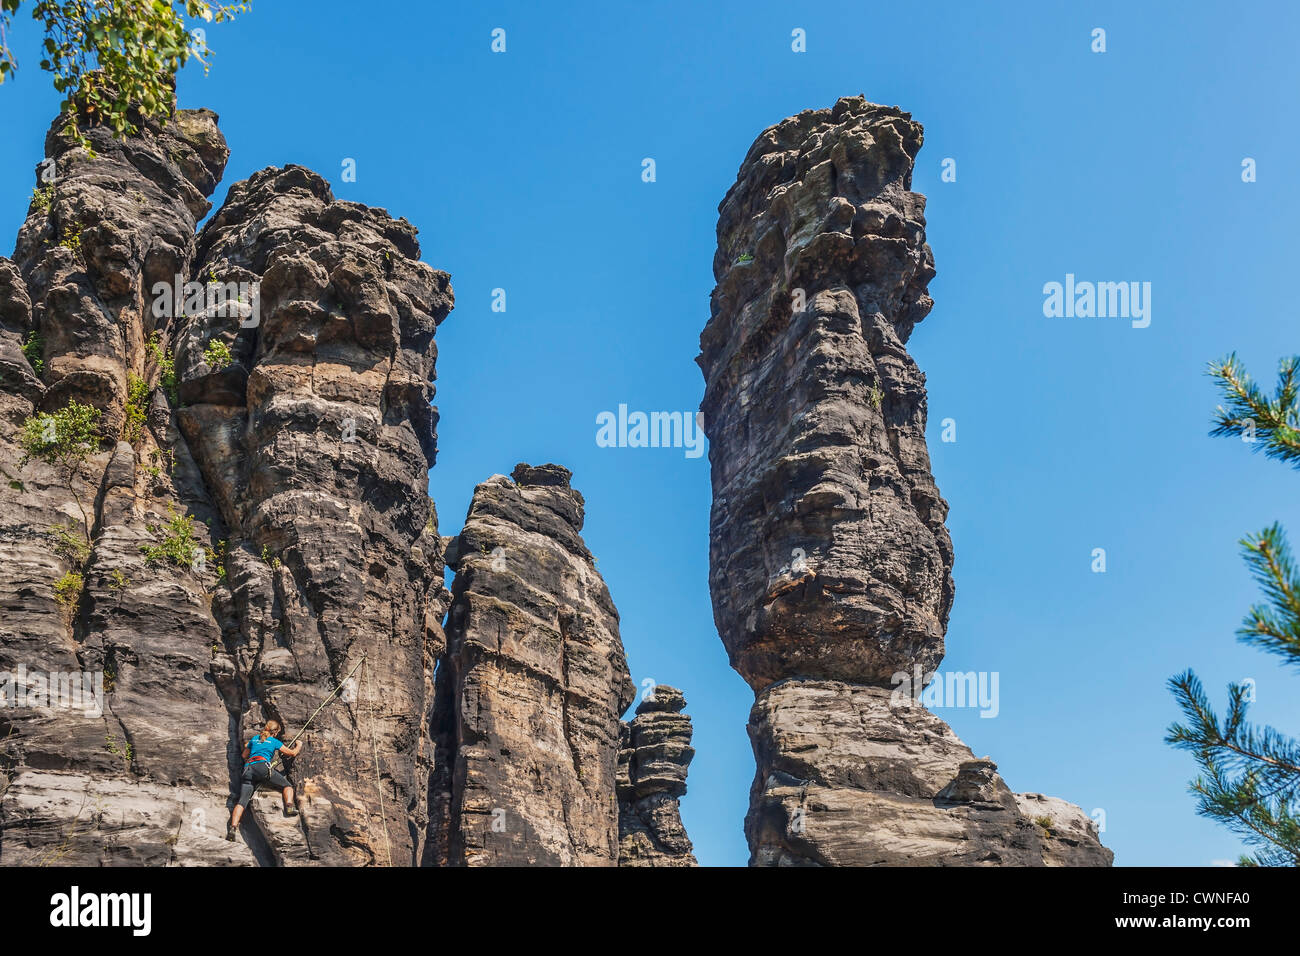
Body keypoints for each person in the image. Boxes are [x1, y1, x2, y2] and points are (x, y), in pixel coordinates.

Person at [226, 718, 302, 841]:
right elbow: (292, 753)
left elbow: (244, 755)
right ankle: (289, 806)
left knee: (242, 802)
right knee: (288, 786)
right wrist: (299, 745)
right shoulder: (274, 741)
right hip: (262, 767)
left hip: (248, 769)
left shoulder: (254, 739)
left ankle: (233, 828)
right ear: (276, 732)